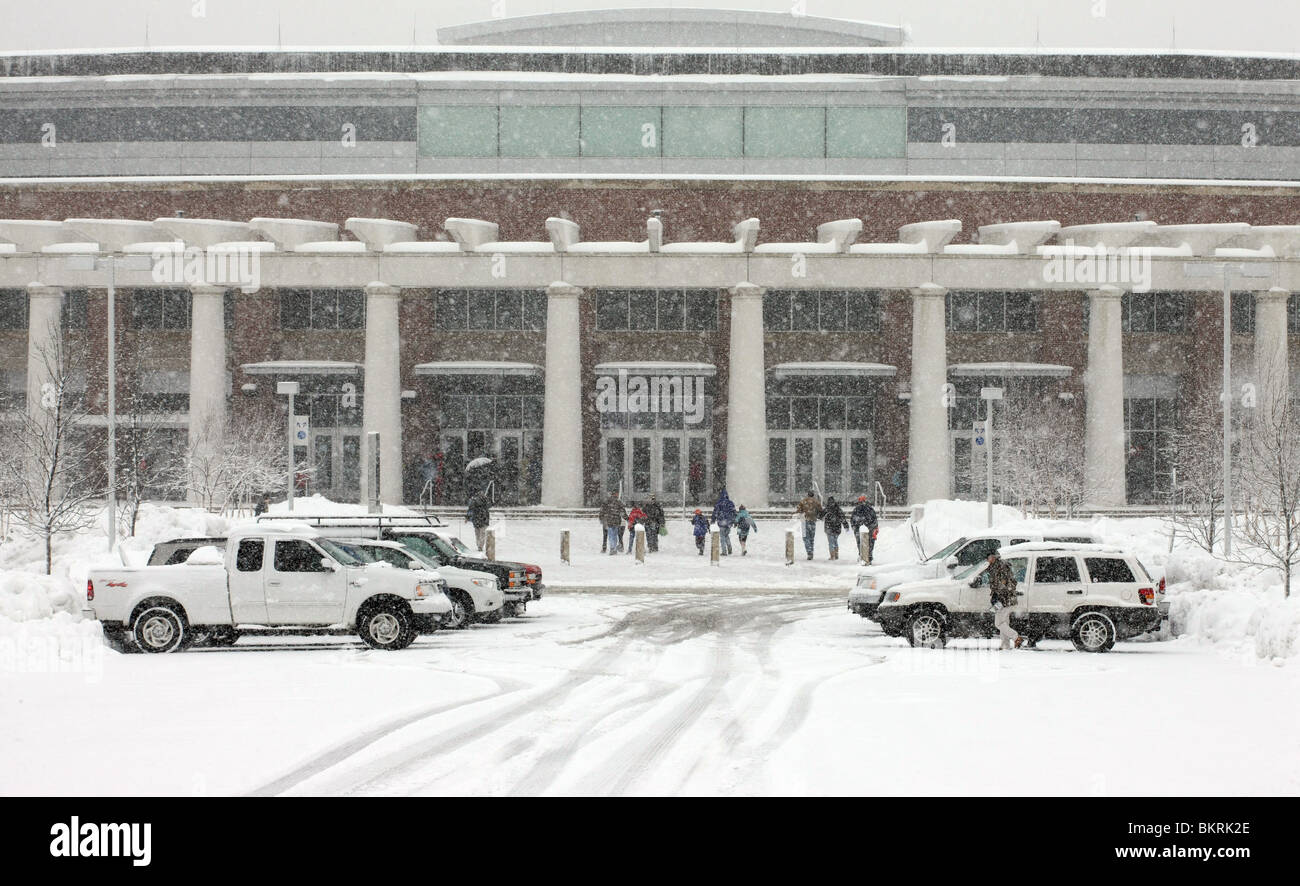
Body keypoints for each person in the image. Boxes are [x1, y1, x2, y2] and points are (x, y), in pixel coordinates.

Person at [987, 552, 1024, 650]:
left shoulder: (1000, 567)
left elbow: (1004, 584)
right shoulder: (997, 566)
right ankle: (1005, 645)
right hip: (1005, 599)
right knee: (1004, 623)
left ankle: (1016, 638)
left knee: (998, 623)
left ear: (994, 557)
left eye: (989, 557)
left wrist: (996, 596)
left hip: (1004, 600)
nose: (988, 559)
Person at [793, 490, 822, 560]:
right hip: (813, 521)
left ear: (808, 494)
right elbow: (820, 510)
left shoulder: (803, 501)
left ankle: (809, 552)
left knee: (806, 538)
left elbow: (798, 510)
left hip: (804, 521)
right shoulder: (816, 502)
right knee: (812, 538)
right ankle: (811, 551)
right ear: (813, 495)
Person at [850, 495, 879, 564]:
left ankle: (863, 556)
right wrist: (874, 527)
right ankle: (868, 557)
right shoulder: (870, 509)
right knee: (870, 543)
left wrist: (854, 526)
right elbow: (874, 519)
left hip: (861, 529)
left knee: (860, 543)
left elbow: (853, 519)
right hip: (869, 528)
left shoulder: (857, 509)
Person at [712, 488, 737, 556]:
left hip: (721, 522)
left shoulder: (719, 503)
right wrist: (734, 521)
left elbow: (715, 512)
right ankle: (729, 548)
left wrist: (713, 520)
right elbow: (734, 512)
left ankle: (724, 551)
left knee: (722, 537)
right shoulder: (730, 503)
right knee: (726, 535)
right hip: (729, 522)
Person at [823, 495, 847, 560]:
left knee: (831, 542)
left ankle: (832, 555)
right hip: (837, 527)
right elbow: (843, 518)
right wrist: (846, 526)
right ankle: (836, 555)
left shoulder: (827, 509)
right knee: (835, 541)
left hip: (829, 527)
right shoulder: (838, 509)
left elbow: (820, 515)